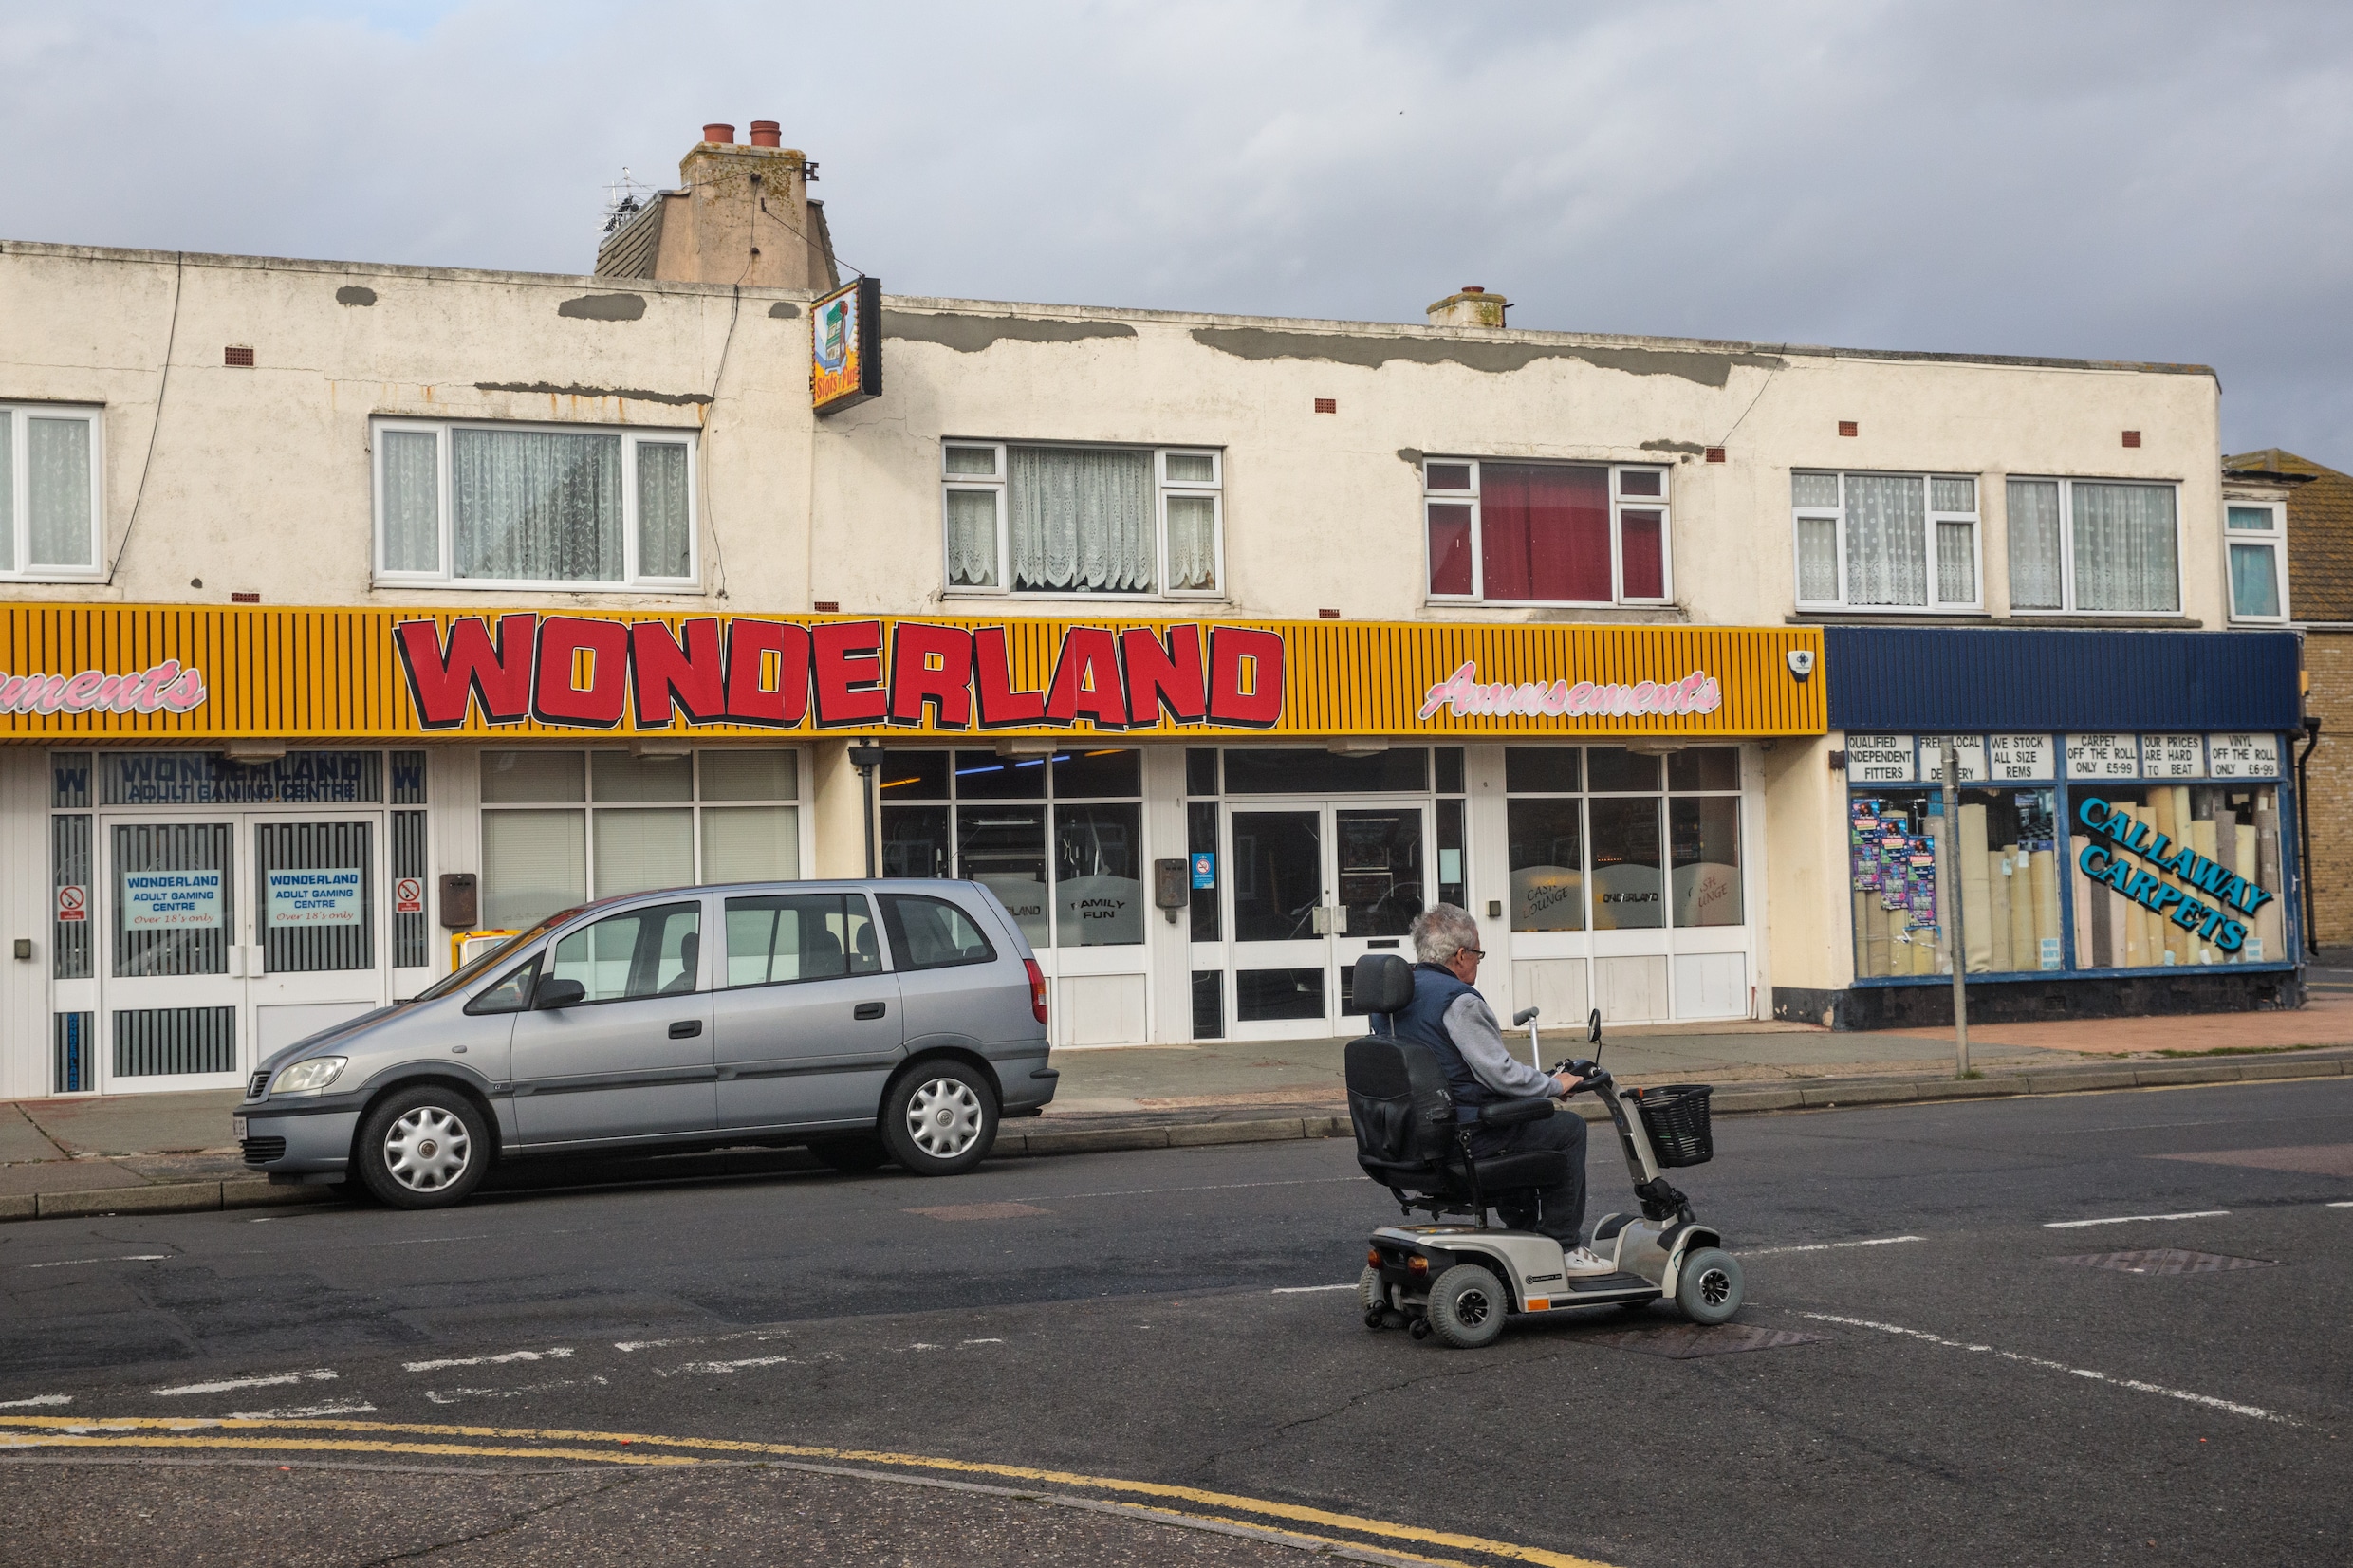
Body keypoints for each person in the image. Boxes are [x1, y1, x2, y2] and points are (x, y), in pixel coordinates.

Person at [1392, 903, 1612, 1276]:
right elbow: (1502, 1075)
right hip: (1464, 1137)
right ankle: (1565, 1246)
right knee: (1567, 1130)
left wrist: (1537, 1086)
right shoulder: (1457, 1001)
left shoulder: (1392, 1000)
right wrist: (1553, 1084)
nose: (1478, 961)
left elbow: (1457, 1070)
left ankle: (1523, 1237)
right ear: (1461, 955)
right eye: (1477, 953)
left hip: (1411, 1139)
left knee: (1523, 1123)